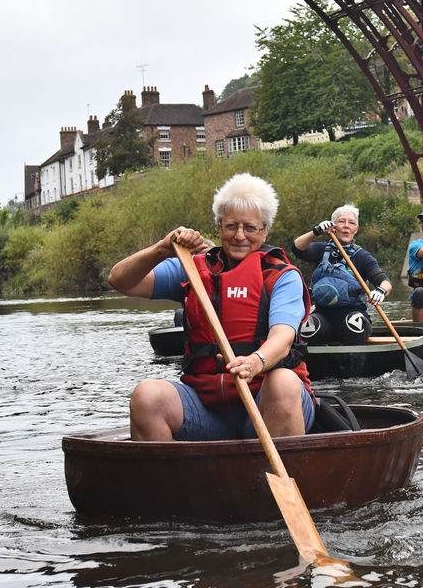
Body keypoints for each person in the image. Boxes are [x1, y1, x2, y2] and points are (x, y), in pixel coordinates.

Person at [107, 172, 315, 442]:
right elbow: (120, 281)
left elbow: (283, 337)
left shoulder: (281, 276)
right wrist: (161, 249)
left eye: (250, 228)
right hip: (210, 409)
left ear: (265, 230)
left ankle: (281, 476)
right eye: (231, 226)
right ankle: (171, 482)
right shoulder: (193, 269)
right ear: (218, 227)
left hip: (268, 401)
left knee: (283, 382)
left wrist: (255, 362)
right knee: (147, 396)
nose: (239, 235)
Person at [291, 203, 391, 345]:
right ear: (333, 226)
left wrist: (381, 291)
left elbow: (384, 281)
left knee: (353, 325)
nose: (346, 226)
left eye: (351, 223)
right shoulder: (321, 250)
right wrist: (316, 231)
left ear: (356, 229)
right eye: (341, 221)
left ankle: (354, 366)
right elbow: (297, 248)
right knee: (308, 328)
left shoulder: (363, 256)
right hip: (323, 314)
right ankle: (316, 366)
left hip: (353, 314)